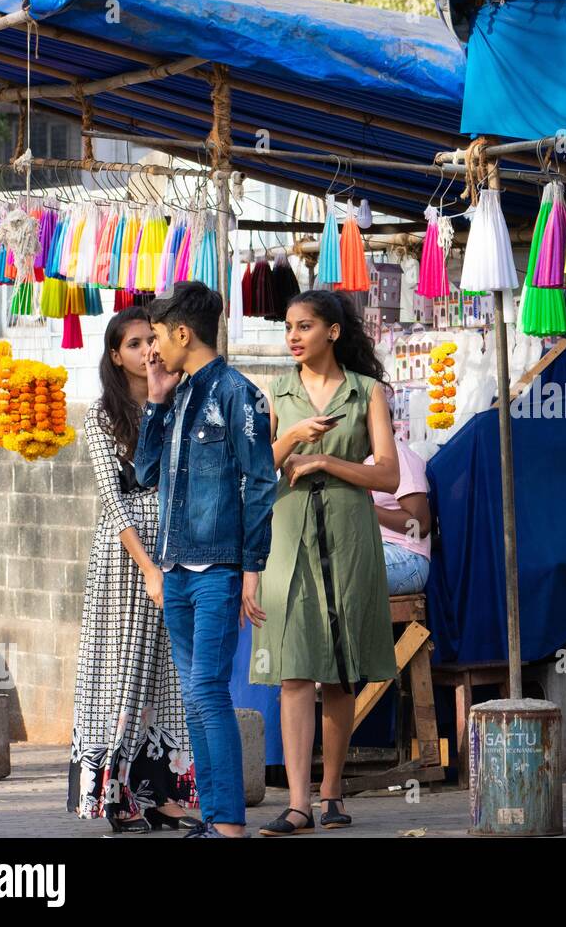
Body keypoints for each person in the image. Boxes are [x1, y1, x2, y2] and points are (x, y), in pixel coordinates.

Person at [250, 290, 399, 836]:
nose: (292, 336)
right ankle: (297, 803)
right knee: (293, 671)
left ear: (332, 333)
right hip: (286, 539)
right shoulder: (276, 393)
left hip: (350, 535)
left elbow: (388, 476)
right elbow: (256, 473)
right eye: (288, 327)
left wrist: (327, 461)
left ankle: (332, 793)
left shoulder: (367, 393)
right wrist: (290, 438)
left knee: (340, 672)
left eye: (304, 326)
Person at [135, 281, 278, 839]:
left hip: (218, 568)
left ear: (183, 333)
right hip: (175, 570)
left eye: (156, 340)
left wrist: (251, 567)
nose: (152, 351)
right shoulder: (178, 394)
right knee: (195, 700)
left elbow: (260, 483)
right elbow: (145, 476)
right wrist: (154, 396)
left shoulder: (237, 394)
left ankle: (228, 824)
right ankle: (219, 817)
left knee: (206, 691)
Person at [70, 307, 201, 834]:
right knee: (121, 671)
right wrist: (148, 566)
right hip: (127, 557)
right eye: (135, 343)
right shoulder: (101, 416)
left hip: (178, 544)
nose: (148, 349)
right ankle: (117, 797)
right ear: (114, 354)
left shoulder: (178, 401)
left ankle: (163, 795)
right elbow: (114, 501)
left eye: (153, 339)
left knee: (168, 676)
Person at [366, 434, 432, 596]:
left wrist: (365, 508)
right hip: (375, 549)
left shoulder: (398, 455)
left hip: (406, 556)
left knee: (341, 575)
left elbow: (419, 526)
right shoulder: (363, 458)